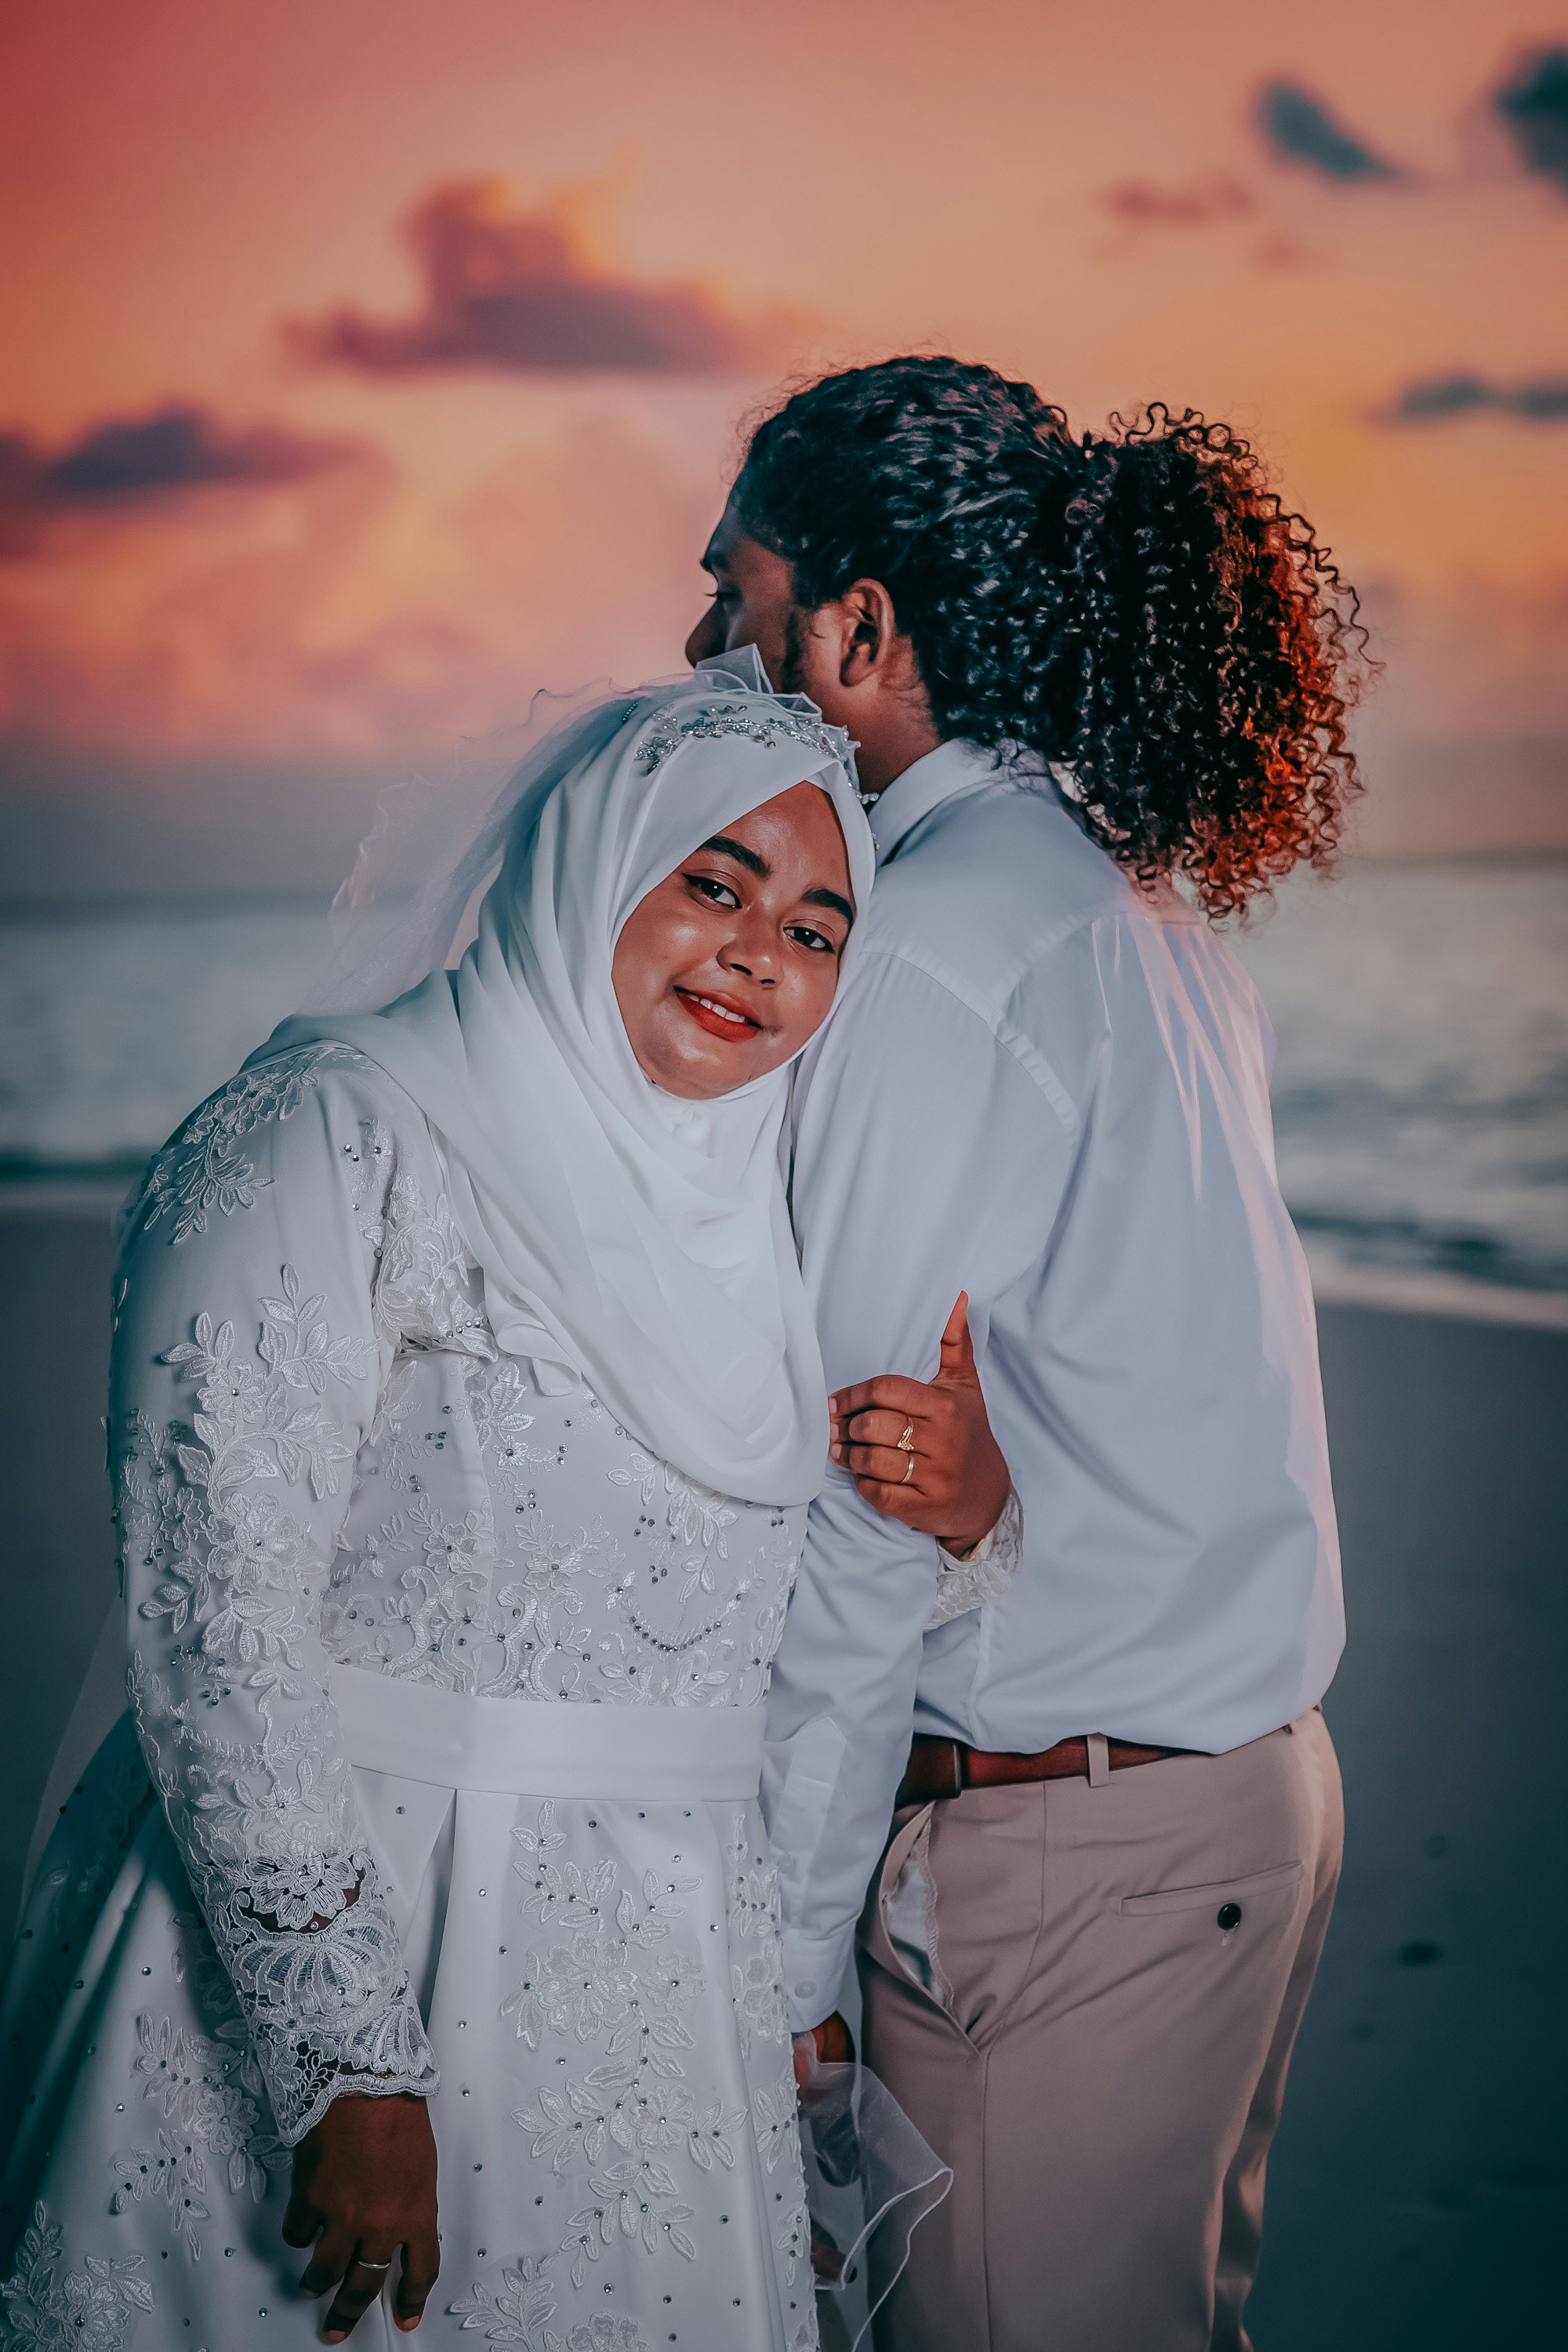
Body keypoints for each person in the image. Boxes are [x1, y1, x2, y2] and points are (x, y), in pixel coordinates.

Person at [0, 657, 910, 2352]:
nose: (755, 954)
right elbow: (220, 1623)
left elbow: (763, 1600)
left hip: (657, 2015)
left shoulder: (751, 1223)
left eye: (812, 928)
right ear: (588, 868)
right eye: (710, 880)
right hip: (363, 1961)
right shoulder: (333, 1129)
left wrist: (967, 1501)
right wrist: (345, 2062)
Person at [688, 358, 1366, 2352]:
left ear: (857, 626)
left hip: (1072, 1844)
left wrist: (789, 1961)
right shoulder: (1132, 898)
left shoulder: (934, 939)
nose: (708, 642)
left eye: (737, 590)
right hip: (1223, 1802)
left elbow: (861, 1482)